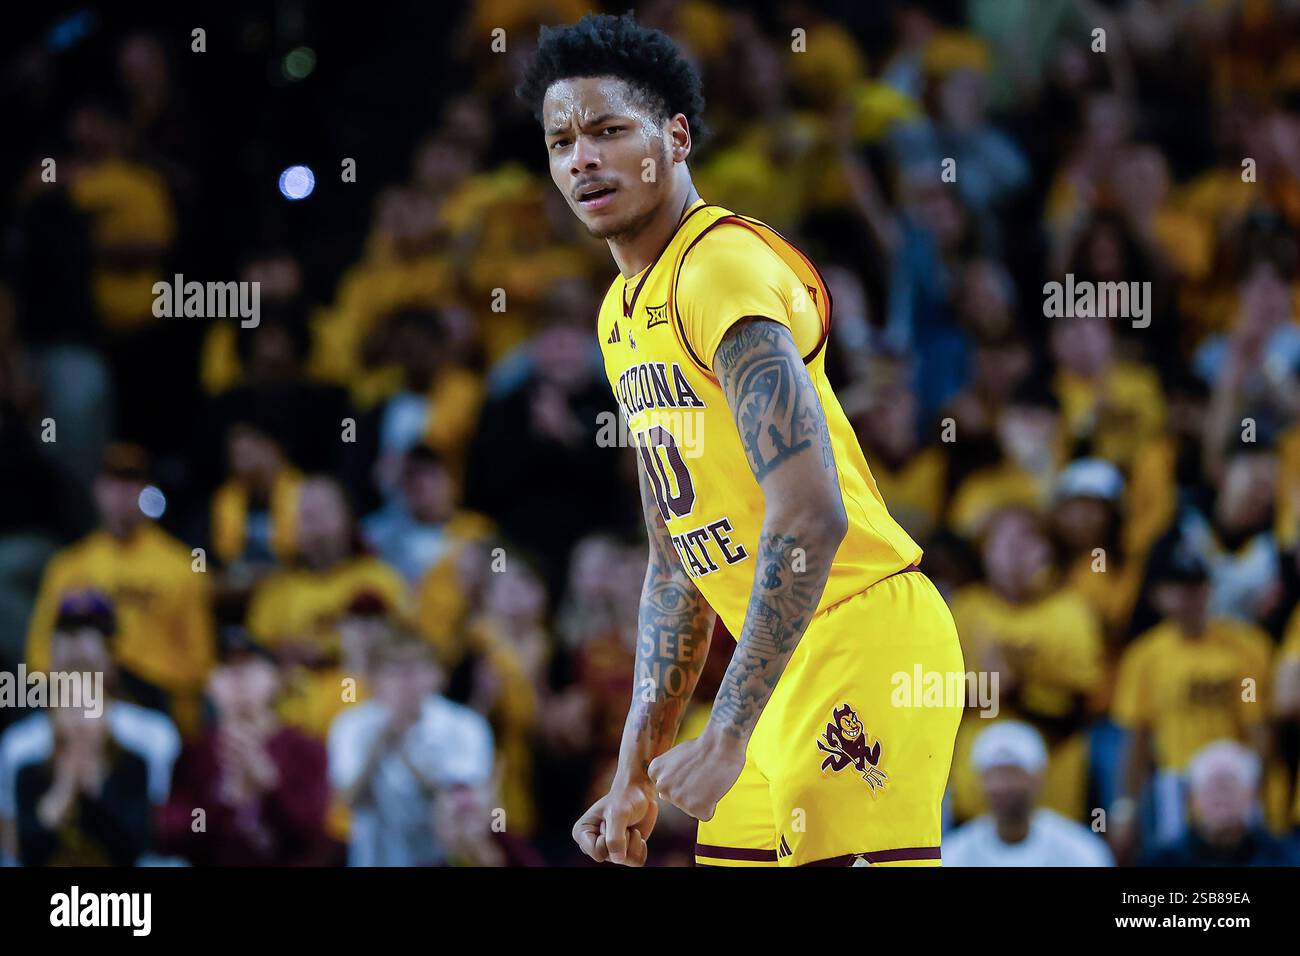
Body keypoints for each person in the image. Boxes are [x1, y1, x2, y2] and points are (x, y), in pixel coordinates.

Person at [519, 12, 963, 867]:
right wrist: (634, 771)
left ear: (675, 137)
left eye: (610, 130)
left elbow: (810, 516)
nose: (583, 157)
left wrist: (723, 731)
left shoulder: (720, 267)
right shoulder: (618, 316)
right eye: (562, 139)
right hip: (776, 670)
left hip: (858, 634)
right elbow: (678, 560)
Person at [0, 590, 180, 866]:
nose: (76, 644)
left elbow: (156, 837)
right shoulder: (20, 743)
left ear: (112, 653)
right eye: (66, 632)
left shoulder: (153, 734)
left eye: (90, 632)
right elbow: (12, 843)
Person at [156, 628, 330, 866]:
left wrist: (270, 787)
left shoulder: (305, 749)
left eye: (250, 667)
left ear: (275, 678)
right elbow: (173, 836)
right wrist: (221, 801)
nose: (238, 678)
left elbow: (311, 836)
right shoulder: (195, 752)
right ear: (210, 685)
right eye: (227, 668)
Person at [327, 631, 494, 866]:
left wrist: (408, 758)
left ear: (438, 675)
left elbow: (464, 806)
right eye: (394, 671)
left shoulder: (465, 725)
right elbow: (347, 799)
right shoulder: (351, 725)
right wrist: (377, 750)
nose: (407, 681)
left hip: (440, 858)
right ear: (373, 679)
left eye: (418, 668)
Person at [944, 721, 1114, 867]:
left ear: (1038, 779)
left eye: (1013, 774)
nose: (1003, 786)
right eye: (994, 776)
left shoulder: (1081, 850)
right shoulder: (954, 853)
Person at [1139, 740, 1297, 866]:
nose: (1220, 795)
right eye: (1211, 786)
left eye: (1230, 784)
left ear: (1252, 796)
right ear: (1193, 800)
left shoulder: (1285, 858)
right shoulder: (1162, 861)